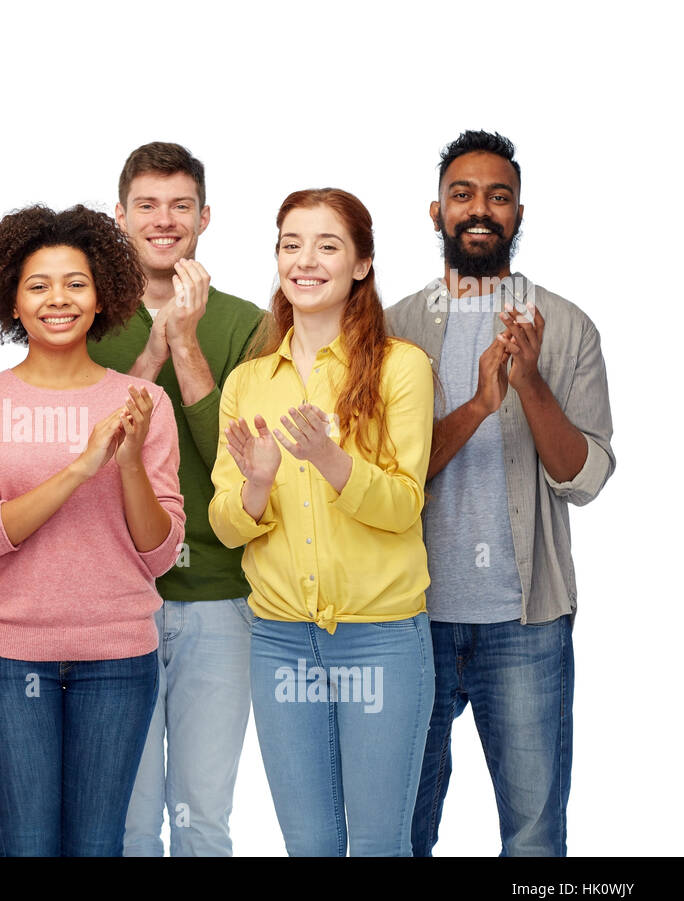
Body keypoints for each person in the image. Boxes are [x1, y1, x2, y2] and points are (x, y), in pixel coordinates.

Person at [386, 130, 615, 857]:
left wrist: (529, 382)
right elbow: (383, 480)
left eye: (497, 196)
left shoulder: (568, 326)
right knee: (400, 831)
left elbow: (584, 477)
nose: (479, 209)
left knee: (535, 837)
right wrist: (481, 404)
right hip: (407, 618)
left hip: (526, 625)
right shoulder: (395, 329)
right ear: (436, 212)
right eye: (463, 195)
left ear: (518, 214)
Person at [0, 204, 185, 857]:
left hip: (117, 655)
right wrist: (81, 468)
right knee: (26, 843)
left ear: (102, 294)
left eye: (76, 283)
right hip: (10, 655)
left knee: (97, 842)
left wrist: (128, 463)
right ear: (12, 301)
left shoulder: (145, 404)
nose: (59, 299)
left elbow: (159, 553)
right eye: (39, 284)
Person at [209, 188, 434, 857]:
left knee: (376, 844)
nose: (305, 260)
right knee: (308, 845)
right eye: (291, 244)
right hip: (281, 640)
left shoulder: (402, 367)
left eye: (327, 245)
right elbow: (226, 525)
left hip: (381, 639)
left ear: (361, 263)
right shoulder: (248, 383)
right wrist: (255, 484)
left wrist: (329, 459)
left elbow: (401, 505)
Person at [87, 141, 264, 857]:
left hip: (220, 598)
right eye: (148, 206)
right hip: (114, 598)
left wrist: (185, 343)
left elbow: (239, 463)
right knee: (127, 824)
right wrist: (153, 354)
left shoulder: (247, 322)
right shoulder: (87, 317)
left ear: (205, 217)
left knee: (202, 817)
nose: (165, 221)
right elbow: (91, 458)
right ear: (119, 215)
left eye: (180, 206)